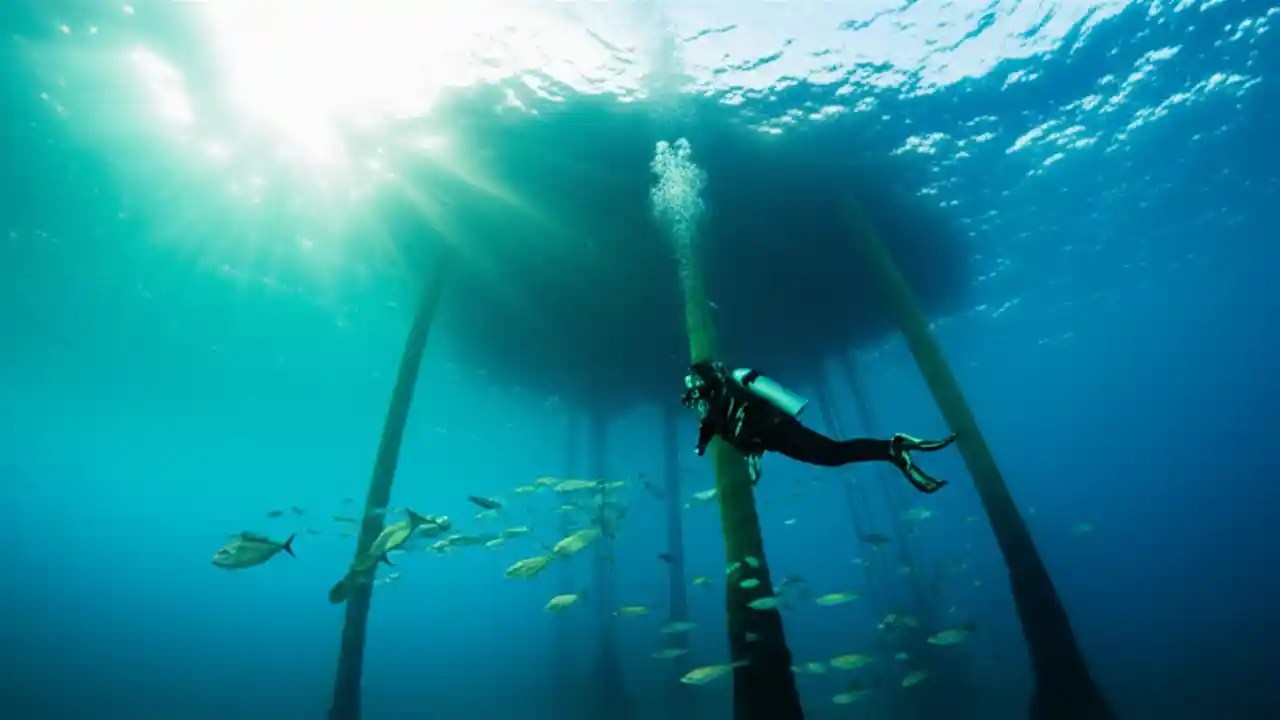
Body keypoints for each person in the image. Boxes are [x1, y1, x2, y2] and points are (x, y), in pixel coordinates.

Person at [679, 361, 956, 493]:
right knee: (830, 457)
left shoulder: (728, 388)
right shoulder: (713, 411)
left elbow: (740, 418)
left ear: (706, 379)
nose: (691, 391)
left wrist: (750, 449)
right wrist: (700, 447)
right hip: (776, 439)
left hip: (781, 429)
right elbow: (712, 428)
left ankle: (892, 447)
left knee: (833, 454)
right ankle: (891, 449)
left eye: (693, 382)